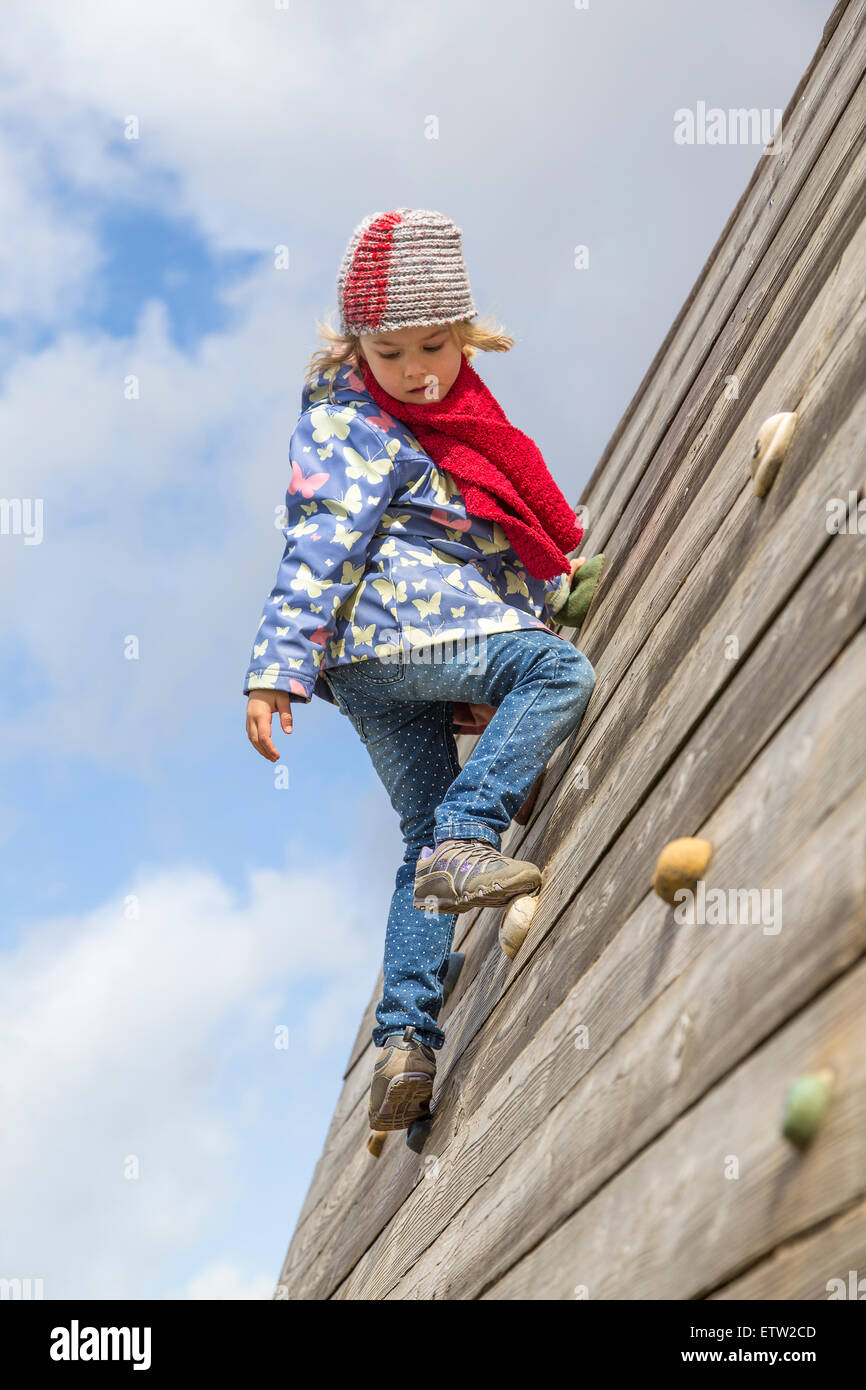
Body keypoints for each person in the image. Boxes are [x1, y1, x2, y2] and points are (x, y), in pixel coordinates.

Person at [244, 209, 596, 1131]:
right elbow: (316, 542)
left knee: (418, 843)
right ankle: (470, 837)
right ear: (354, 343)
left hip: (377, 666)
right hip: (398, 635)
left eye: (431, 346)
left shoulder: (445, 430)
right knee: (556, 673)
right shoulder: (349, 424)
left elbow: (484, 552)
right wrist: (273, 666)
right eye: (386, 350)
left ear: (467, 335)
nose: (412, 370)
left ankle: (404, 1044)